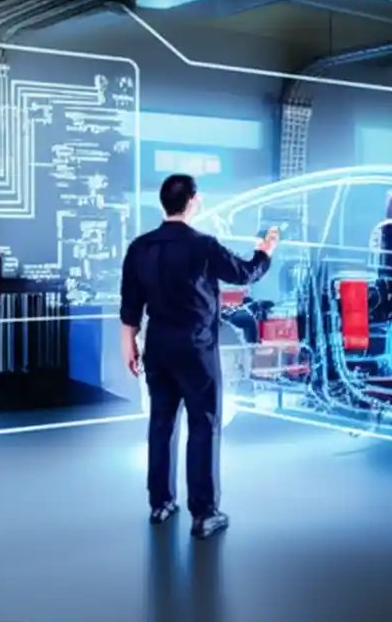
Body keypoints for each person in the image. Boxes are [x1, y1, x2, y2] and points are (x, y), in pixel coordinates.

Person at [120, 174, 279, 539]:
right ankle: (204, 513)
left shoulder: (140, 247)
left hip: (157, 347)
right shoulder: (203, 246)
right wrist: (265, 251)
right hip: (195, 350)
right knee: (203, 425)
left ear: (164, 203)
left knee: (160, 425)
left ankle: (160, 503)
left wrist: (128, 344)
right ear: (193, 201)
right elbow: (243, 273)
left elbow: (131, 307)